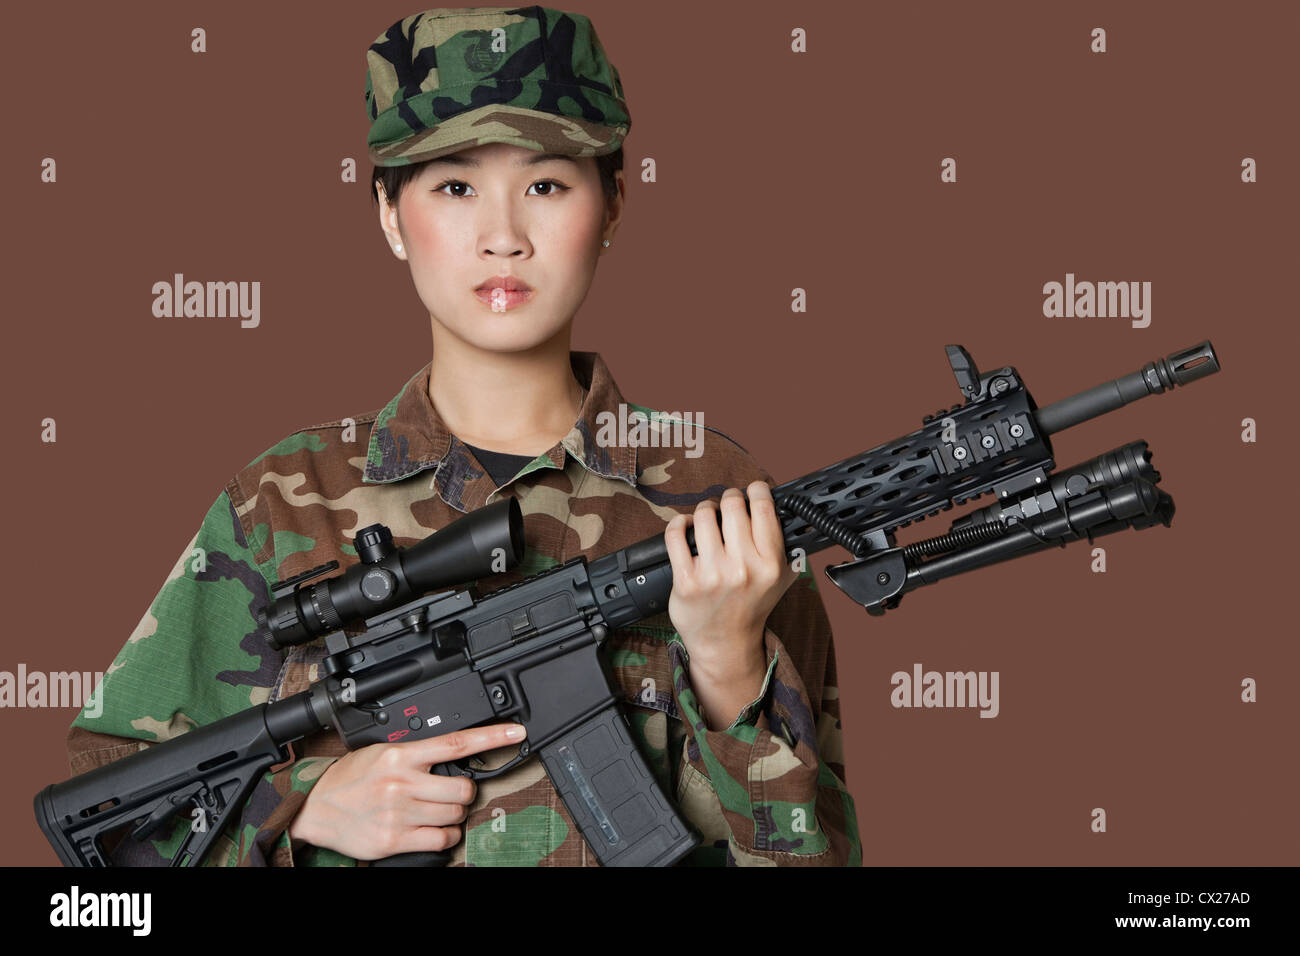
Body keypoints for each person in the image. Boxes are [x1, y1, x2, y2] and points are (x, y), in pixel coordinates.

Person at [63, 5, 861, 867]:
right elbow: (109, 830)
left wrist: (730, 666)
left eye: (546, 185)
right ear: (389, 212)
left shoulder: (717, 497)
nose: (503, 237)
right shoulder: (279, 505)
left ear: (613, 205)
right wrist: (299, 809)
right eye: (454, 187)